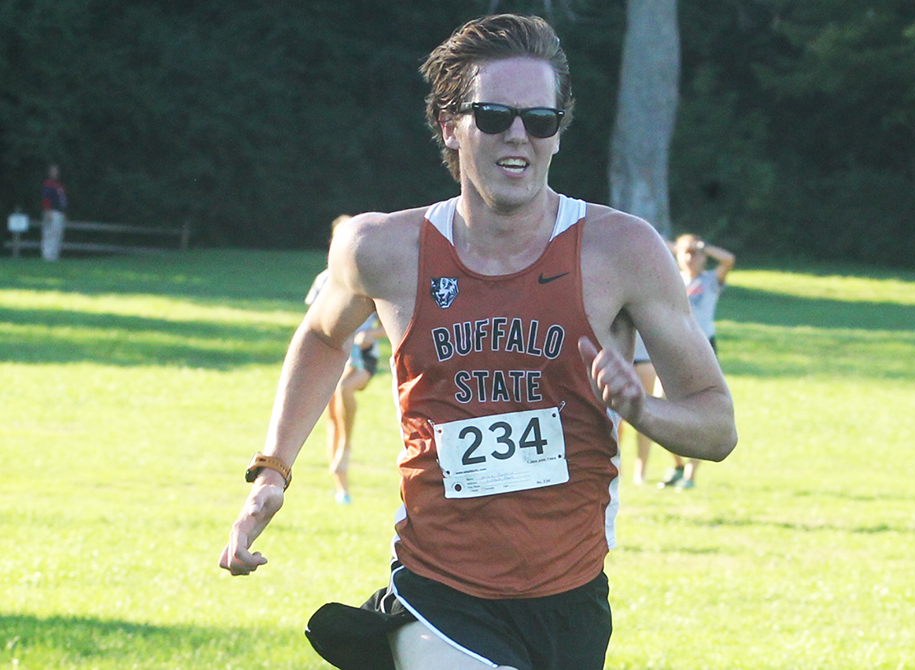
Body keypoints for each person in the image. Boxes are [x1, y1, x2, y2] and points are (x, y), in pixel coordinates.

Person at [219, 14, 737, 670]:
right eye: (493, 116)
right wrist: (274, 469)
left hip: (567, 602)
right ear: (450, 126)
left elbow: (717, 428)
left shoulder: (622, 250)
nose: (517, 135)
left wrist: (643, 411)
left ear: (556, 133)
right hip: (436, 589)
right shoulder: (382, 248)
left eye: (539, 119)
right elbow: (323, 336)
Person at [658, 233, 736, 490]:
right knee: (658, 404)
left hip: (703, 349)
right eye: (686, 253)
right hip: (673, 348)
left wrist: (705, 246)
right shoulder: (670, 279)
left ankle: (690, 474)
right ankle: (678, 465)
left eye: (696, 253)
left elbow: (728, 260)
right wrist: (675, 247)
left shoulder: (710, 281)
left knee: (699, 409)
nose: (691, 257)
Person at [305, 265, 386, 504]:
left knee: (344, 389)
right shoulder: (324, 279)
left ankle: (346, 446)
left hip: (362, 355)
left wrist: (370, 336)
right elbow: (312, 321)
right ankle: (342, 488)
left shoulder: (368, 279)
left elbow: (391, 323)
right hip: (334, 353)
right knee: (332, 417)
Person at [620, 333, 658, 485]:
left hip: (645, 358)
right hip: (617, 358)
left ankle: (641, 472)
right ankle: (617, 468)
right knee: (614, 419)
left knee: (644, 418)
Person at [41, 164, 67, 261]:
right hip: (52, 212)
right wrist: (47, 211)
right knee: (50, 234)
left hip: (59, 213)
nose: (55, 173)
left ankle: (54, 256)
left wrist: (64, 212)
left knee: (58, 235)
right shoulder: (48, 184)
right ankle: (47, 257)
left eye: (56, 171)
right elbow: (46, 198)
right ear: (49, 173)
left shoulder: (59, 185)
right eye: (53, 171)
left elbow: (62, 200)